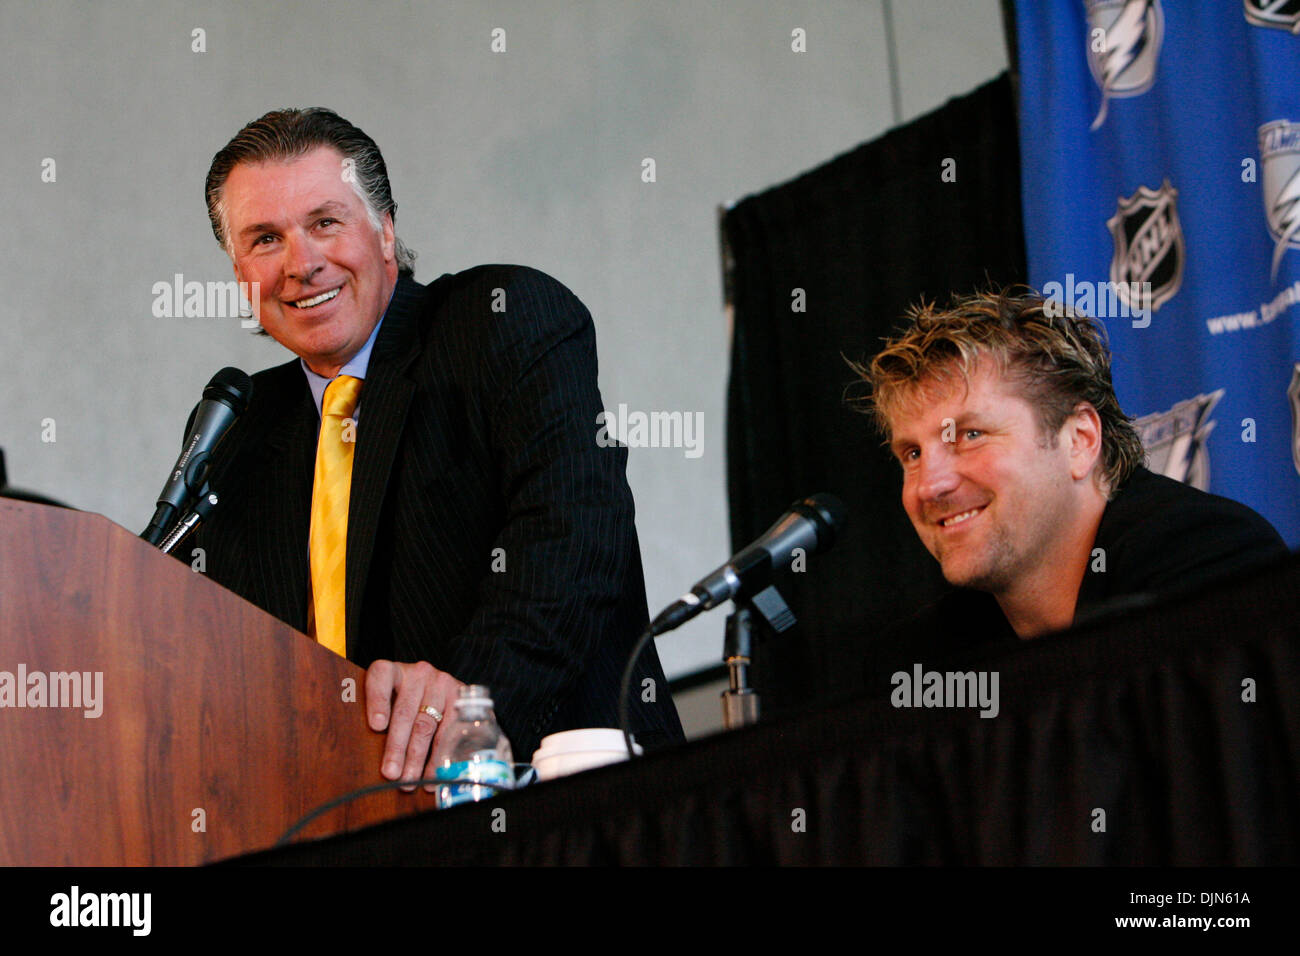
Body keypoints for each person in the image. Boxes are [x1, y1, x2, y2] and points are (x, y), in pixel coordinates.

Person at [184, 107, 682, 782]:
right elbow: (203, 649)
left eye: (325, 223)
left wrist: (465, 709)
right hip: (336, 825)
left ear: (386, 231)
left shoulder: (501, 322)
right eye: (265, 239)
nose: (301, 263)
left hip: (563, 802)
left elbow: (575, 537)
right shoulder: (238, 430)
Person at [853, 288, 1288, 683]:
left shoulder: (1204, 562)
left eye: (971, 435)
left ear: (1079, 441)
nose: (931, 486)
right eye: (912, 454)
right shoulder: (924, 660)